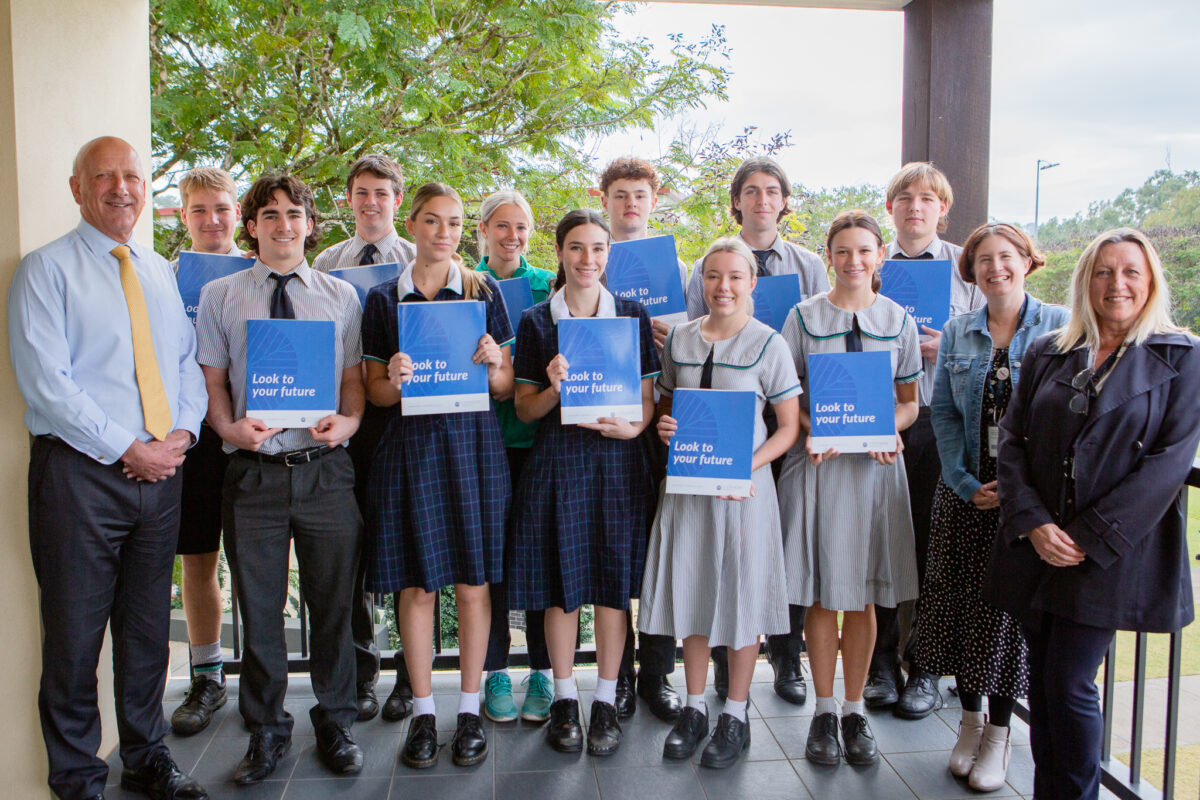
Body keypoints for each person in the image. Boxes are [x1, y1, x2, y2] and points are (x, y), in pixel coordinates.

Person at [9, 135, 210, 799]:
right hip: (81, 477)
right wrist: (132, 447)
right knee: (73, 636)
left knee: (148, 629)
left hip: (161, 471)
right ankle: (77, 778)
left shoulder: (156, 269)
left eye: (131, 176)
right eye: (104, 177)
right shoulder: (46, 271)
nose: (121, 188)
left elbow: (183, 364)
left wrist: (180, 434)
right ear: (77, 189)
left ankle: (146, 756)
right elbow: (48, 385)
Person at [984, 228, 1200, 800]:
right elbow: (1012, 443)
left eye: (1130, 271)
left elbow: (1169, 463)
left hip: (1102, 554)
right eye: (1104, 271)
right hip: (1036, 545)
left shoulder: (1183, 355)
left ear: (1150, 279)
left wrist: (1084, 538)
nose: (1117, 284)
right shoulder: (1050, 350)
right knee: (1048, 685)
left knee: (1072, 683)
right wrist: (1032, 523)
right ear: (1085, 281)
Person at [197, 174, 365, 784]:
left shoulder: (341, 297)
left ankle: (336, 721)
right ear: (251, 226)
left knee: (333, 607)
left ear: (310, 223)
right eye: (269, 215)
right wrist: (226, 429)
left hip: (324, 473)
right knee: (260, 610)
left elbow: (351, 380)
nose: (284, 225)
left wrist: (348, 422)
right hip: (253, 474)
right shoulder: (221, 296)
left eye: (294, 214)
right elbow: (213, 384)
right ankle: (267, 731)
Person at [907, 224, 1068, 791]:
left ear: (1027, 261)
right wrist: (962, 478)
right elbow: (946, 413)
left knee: (1004, 619)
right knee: (956, 608)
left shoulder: (1060, 326)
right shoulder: (957, 330)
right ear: (970, 271)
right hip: (964, 492)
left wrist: (1020, 490)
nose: (994, 268)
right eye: (982, 261)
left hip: (1026, 503)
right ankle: (969, 725)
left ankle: (999, 735)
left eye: (1006, 257)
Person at [362, 182, 514, 769]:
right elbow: (375, 394)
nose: (443, 233)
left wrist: (496, 363)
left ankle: (469, 708)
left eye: (454, 223)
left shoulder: (485, 291)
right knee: (418, 586)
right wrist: (393, 377)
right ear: (415, 224)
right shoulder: (383, 301)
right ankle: (425, 712)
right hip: (411, 450)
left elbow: (504, 388)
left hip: (473, 447)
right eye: (432, 221)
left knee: (475, 584)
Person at [639, 238, 802, 767]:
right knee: (693, 591)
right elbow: (670, 410)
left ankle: (734, 714)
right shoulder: (680, 340)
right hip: (687, 492)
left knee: (739, 600)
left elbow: (788, 428)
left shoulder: (769, 344)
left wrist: (745, 464)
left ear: (752, 283)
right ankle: (693, 708)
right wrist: (666, 429)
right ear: (701, 281)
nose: (723, 286)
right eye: (713, 276)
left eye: (735, 276)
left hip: (743, 495)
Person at [507, 209, 660, 757]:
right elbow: (525, 410)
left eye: (597, 248)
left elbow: (646, 402)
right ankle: (565, 699)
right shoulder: (535, 322)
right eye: (576, 248)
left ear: (608, 254)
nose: (587, 259)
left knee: (612, 590)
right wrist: (551, 388)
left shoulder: (633, 316)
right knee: (563, 587)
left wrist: (635, 427)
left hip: (617, 462)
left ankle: (605, 700)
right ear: (561, 252)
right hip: (558, 463)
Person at [778, 210, 921, 767]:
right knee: (819, 591)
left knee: (861, 594)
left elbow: (908, 404)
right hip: (819, 465)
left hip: (875, 472)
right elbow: (785, 398)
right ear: (830, 256)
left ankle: (855, 709)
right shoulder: (803, 315)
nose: (854, 260)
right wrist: (819, 431)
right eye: (843, 251)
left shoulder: (898, 319)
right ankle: (823, 710)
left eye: (865, 250)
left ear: (879, 256)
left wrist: (890, 431)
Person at [685, 157, 829, 706]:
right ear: (737, 200)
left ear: (784, 201)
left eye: (772, 191)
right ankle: (722, 674)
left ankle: (785, 660)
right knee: (714, 554)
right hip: (724, 408)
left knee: (775, 546)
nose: (762, 199)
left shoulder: (810, 264)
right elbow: (701, 339)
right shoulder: (715, 262)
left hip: (783, 409)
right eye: (751, 190)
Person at [865, 161, 987, 719]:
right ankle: (881, 664)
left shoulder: (969, 269)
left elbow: (996, 348)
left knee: (936, 546)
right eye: (904, 197)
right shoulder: (867, 263)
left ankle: (927, 668)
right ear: (890, 207)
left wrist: (950, 350)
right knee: (883, 541)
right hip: (881, 422)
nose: (915, 207)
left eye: (927, 198)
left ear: (943, 208)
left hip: (946, 425)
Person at [311, 153, 415, 723]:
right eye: (361, 192)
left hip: (404, 422)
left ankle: (409, 672)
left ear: (397, 200)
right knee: (349, 557)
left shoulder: (418, 259)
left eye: (381, 192)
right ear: (348, 199)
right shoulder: (326, 263)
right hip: (343, 424)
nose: (370, 201)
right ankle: (361, 671)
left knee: (402, 544)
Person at [598, 156, 685, 720]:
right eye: (620, 194)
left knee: (662, 550)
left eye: (640, 194)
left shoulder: (684, 270)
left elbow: (710, 336)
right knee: (613, 552)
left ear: (655, 199)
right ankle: (617, 675)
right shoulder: (586, 259)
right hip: (604, 421)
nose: (631, 203)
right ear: (602, 198)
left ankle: (656, 674)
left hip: (665, 423)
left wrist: (676, 333)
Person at [473, 189, 557, 724]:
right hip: (486, 441)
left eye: (521, 227)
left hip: (544, 440)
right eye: (501, 227)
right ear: (482, 230)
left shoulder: (553, 285)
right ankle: (496, 669)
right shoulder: (461, 285)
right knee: (495, 559)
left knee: (544, 555)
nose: (512, 237)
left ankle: (546, 672)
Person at [168, 166, 245, 738]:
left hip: (253, 433)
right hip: (188, 439)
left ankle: (268, 679)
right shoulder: (160, 277)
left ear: (237, 212)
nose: (212, 220)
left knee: (263, 561)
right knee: (198, 557)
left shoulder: (263, 268)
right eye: (199, 210)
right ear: (183, 216)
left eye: (221, 208)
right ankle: (208, 673)